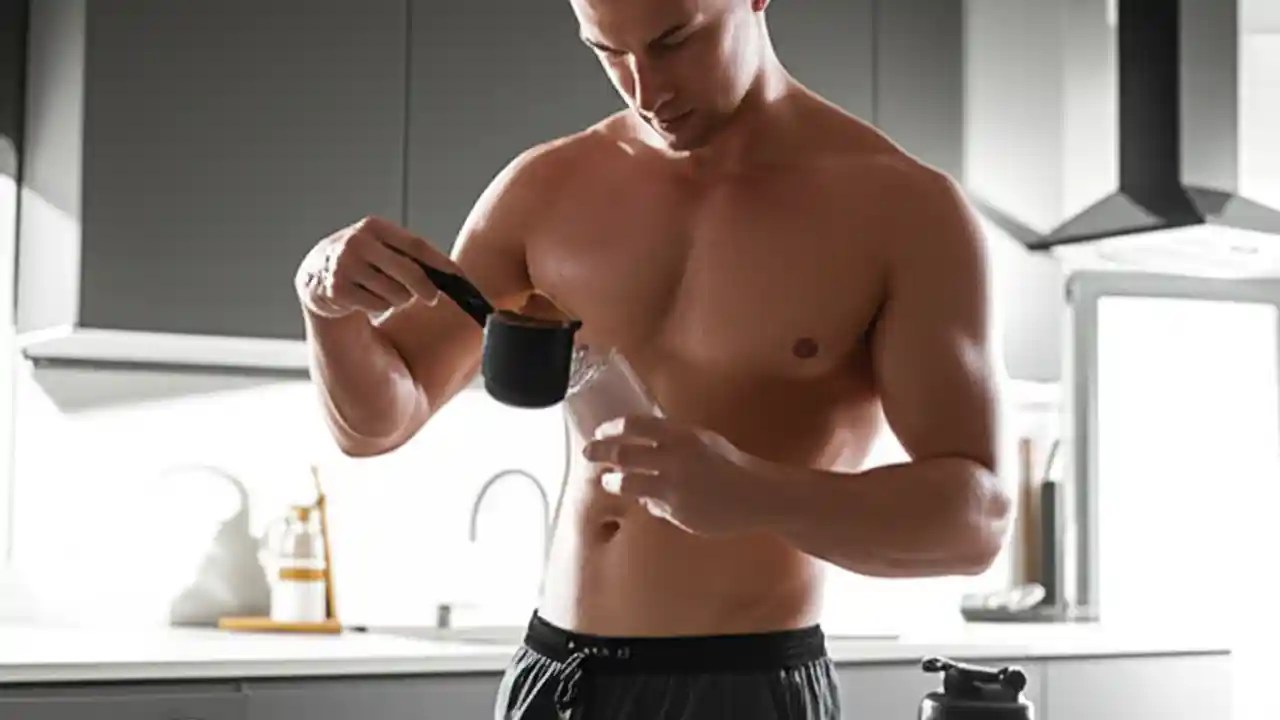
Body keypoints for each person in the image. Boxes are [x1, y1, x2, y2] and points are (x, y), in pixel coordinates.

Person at [295, 0, 1012, 716]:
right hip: (552, 673)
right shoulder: (547, 187)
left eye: (675, 40)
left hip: (738, 685)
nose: (647, 90)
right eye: (609, 52)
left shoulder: (903, 210)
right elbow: (378, 421)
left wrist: (757, 494)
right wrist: (324, 308)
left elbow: (975, 522)